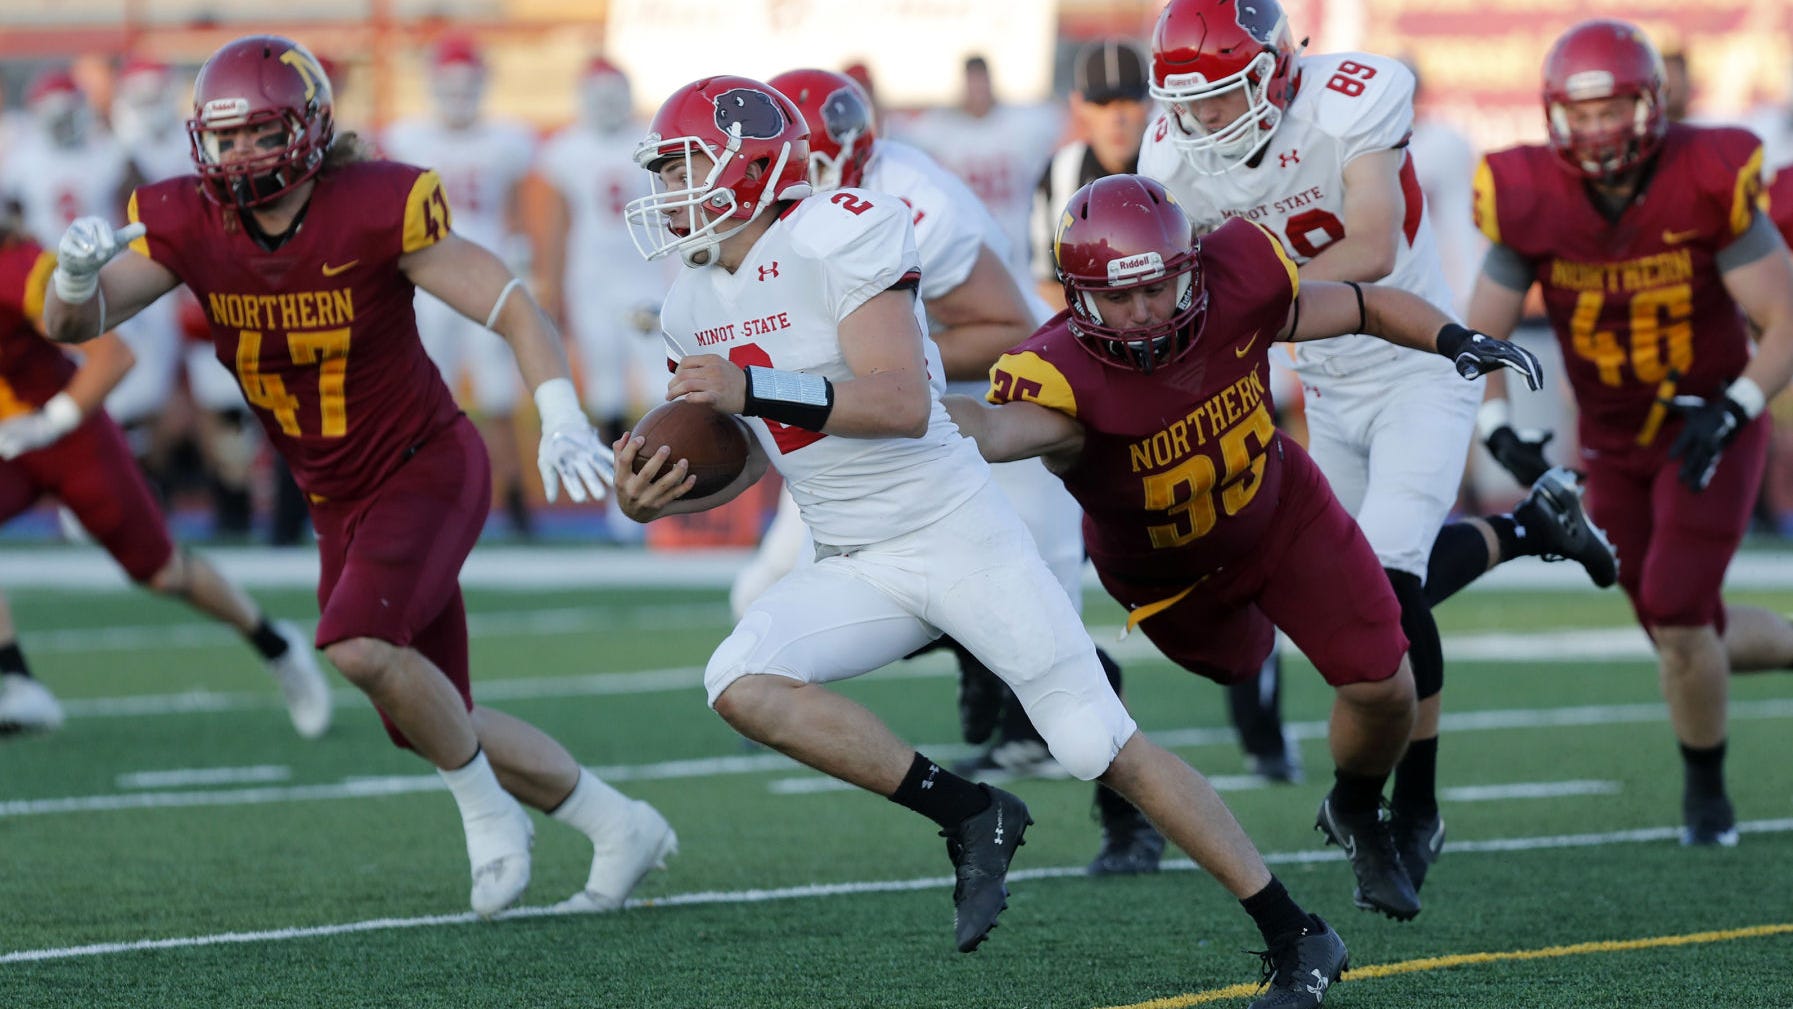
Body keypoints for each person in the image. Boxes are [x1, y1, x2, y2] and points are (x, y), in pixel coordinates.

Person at [618, 76, 1345, 1006]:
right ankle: (970, 812)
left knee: (1099, 744)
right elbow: (763, 452)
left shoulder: (842, 228)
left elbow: (900, 400)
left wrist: (748, 391)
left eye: (683, 165)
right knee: (740, 681)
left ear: (750, 162)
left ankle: (1297, 932)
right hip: (856, 559)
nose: (671, 190)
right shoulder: (690, 300)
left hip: (955, 533)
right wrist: (659, 496)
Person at [39, 35, 674, 916]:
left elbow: (510, 304)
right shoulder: (190, 220)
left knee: (357, 646)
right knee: (427, 712)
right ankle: (619, 824)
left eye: (257, 135)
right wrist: (72, 276)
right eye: (222, 139)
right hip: (334, 495)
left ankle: (490, 814)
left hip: (424, 464)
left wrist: (560, 409)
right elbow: (74, 323)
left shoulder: (374, 206)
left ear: (305, 129)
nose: (237, 156)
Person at [948, 173, 1544, 923]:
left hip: (1280, 512)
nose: (1142, 313)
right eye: (1118, 297)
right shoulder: (1058, 377)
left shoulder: (1238, 283)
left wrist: (1454, 338)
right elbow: (991, 428)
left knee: (1382, 683)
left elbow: (1360, 305)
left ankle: (1356, 807)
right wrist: (883, 406)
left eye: (1158, 288)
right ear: (1076, 297)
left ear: (1190, 268)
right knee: (1241, 661)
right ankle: (1528, 534)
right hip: (1172, 583)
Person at [1138, 0, 1616, 896]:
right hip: (1322, 385)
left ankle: (1398, 808)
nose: (1200, 123)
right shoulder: (1169, 157)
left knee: (1384, 588)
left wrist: (1241, 306)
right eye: (1186, 104)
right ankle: (1531, 529)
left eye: (1219, 98)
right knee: (1367, 600)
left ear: (1275, 71)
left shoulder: (1354, 95)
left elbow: (1367, 243)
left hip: (1416, 361)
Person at [764, 67, 1160, 874]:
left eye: (789, 164)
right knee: (806, 599)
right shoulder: (786, 214)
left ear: (841, 153)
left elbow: (1010, 325)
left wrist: (877, 365)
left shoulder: (914, 199)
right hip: (881, 422)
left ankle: (1133, 819)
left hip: (988, 414)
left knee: (1047, 638)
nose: (771, 185)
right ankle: (971, 653)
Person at [1465, 19, 1793, 847]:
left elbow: (1783, 316)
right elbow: (1478, 336)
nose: (1599, 131)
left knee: (1681, 613)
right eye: (1582, 114)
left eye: (1614, 109)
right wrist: (1499, 426)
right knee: (1662, 615)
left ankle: (1705, 798)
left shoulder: (1704, 174)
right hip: (1610, 438)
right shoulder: (1527, 193)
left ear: (1649, 105)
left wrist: (1737, 407)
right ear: (1552, 116)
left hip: (1705, 427)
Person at [0, 220, 328, 737]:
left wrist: (48, 423)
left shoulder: (14, 265)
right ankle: (16, 680)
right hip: (7, 442)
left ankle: (277, 646)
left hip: (66, 431)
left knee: (162, 572)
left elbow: (114, 356)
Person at [383, 34, 539, 537]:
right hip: (429, 280)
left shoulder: (506, 140)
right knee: (425, 391)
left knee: (496, 395)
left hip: (487, 272)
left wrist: (524, 260)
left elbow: (516, 210)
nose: (457, 94)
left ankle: (513, 500)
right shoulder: (408, 137)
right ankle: (424, 497)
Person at [535, 58, 672, 454]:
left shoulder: (650, 139)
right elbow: (558, 225)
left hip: (640, 273)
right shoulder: (567, 148)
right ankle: (619, 476)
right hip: (593, 279)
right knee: (605, 382)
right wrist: (553, 289)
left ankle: (656, 465)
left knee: (655, 378)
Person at [901, 55, 1063, 280]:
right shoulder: (942, 130)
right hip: (970, 251)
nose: (978, 91)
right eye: (973, 83)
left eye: (982, 82)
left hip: (1019, 250)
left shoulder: (1023, 124)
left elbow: (1065, 124)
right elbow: (901, 139)